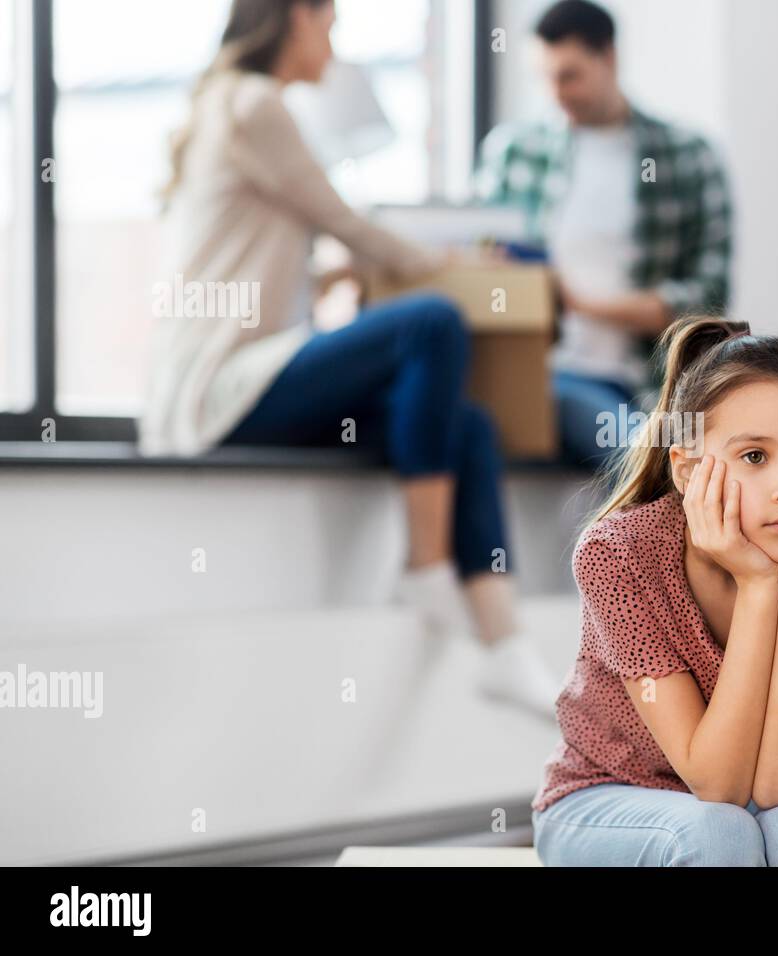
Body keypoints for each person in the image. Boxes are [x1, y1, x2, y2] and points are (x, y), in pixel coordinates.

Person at [137, 0, 561, 721]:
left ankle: (504, 644)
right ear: (297, 17)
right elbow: (345, 220)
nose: (333, 43)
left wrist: (332, 279)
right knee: (432, 321)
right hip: (221, 390)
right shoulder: (255, 104)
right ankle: (426, 568)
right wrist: (445, 261)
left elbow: (273, 241)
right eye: (330, 24)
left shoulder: (227, 106)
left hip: (247, 377)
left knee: (467, 427)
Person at [529, 317, 778, 865]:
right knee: (716, 833)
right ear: (687, 470)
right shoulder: (621, 555)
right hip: (604, 797)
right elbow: (718, 785)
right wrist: (755, 587)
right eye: (755, 457)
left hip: (751, 806)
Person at [475, 0, 733, 473]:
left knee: (691, 450)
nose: (556, 92)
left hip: (643, 380)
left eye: (569, 75)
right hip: (542, 374)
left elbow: (707, 303)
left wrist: (576, 301)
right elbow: (480, 266)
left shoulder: (688, 158)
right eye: (545, 77)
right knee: (640, 451)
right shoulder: (513, 153)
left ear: (609, 58)